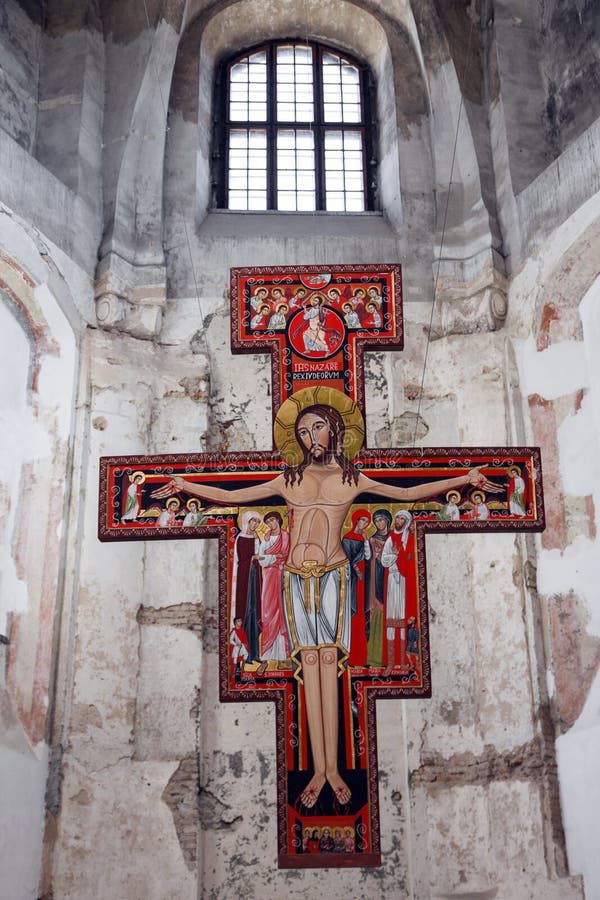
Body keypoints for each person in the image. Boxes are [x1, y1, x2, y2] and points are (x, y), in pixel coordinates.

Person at [151, 387, 500, 810]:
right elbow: (233, 496)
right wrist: (186, 485)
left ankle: (331, 769)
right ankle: (317, 769)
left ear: (334, 429)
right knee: (310, 663)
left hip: (333, 576)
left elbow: (409, 493)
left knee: (329, 665)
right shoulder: (289, 479)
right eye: (302, 431)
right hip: (295, 577)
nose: (310, 436)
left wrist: (465, 479)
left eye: (317, 426)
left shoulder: (353, 479)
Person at [381, 509, 415, 675]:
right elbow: (384, 560)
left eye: (402, 518)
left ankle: (402, 663)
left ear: (406, 522)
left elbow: (412, 559)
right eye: (398, 517)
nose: (399, 520)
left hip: (404, 582)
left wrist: (399, 555)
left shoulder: (410, 540)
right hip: (392, 581)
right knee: (390, 621)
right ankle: (390, 663)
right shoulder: (390, 539)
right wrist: (395, 556)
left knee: (402, 621)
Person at [256, 510, 290, 674]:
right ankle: (266, 658)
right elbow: (262, 561)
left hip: (284, 577)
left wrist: (271, 558)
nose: (271, 524)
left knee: (283, 614)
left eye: (273, 520)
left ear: (278, 520)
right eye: (268, 522)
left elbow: (288, 556)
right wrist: (275, 557)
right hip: (270, 578)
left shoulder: (286, 536)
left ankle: (283, 660)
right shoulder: (266, 539)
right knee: (268, 614)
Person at [232, 511, 262, 664]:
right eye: (253, 521)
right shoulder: (241, 538)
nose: (255, 524)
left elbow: (261, 555)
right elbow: (242, 559)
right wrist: (252, 558)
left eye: (257, 522)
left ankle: (255, 654)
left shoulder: (257, 538)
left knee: (255, 615)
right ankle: (246, 655)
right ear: (247, 522)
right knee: (246, 613)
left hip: (255, 578)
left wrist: (257, 542)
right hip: (245, 578)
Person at [342, 509, 372, 666]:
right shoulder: (347, 538)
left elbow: (368, 558)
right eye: (362, 520)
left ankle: (363, 656)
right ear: (356, 521)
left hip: (363, 581)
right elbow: (346, 560)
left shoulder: (365, 538)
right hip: (352, 581)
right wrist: (356, 568)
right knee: (353, 615)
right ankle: (351, 657)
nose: (365, 524)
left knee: (363, 616)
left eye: (367, 522)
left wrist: (366, 541)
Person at [366, 508, 392, 667]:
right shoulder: (372, 539)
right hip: (376, 576)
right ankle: (374, 657)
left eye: (381, 520)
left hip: (391, 577)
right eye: (376, 521)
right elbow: (368, 559)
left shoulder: (393, 538)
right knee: (377, 611)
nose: (378, 523)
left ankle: (389, 657)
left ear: (388, 521)